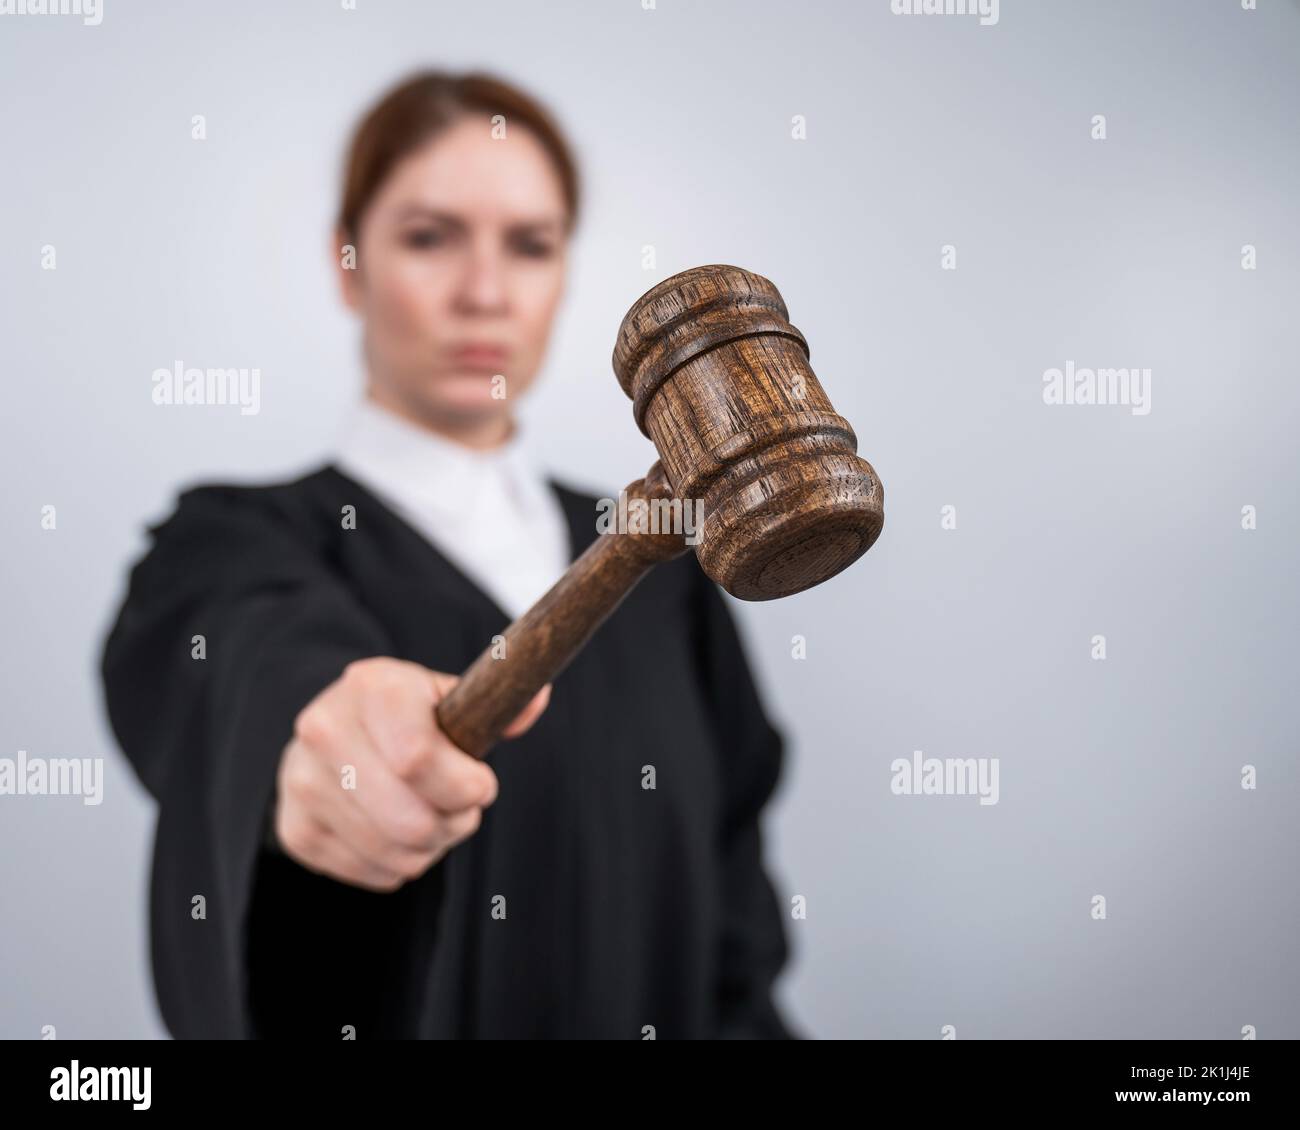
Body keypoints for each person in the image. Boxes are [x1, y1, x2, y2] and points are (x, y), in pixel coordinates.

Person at [100, 69, 797, 1040]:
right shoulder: (226, 544)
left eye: (529, 245)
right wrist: (314, 738)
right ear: (350, 265)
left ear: (563, 276)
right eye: (429, 237)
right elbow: (248, 657)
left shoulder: (672, 579)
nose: (483, 292)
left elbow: (735, 924)